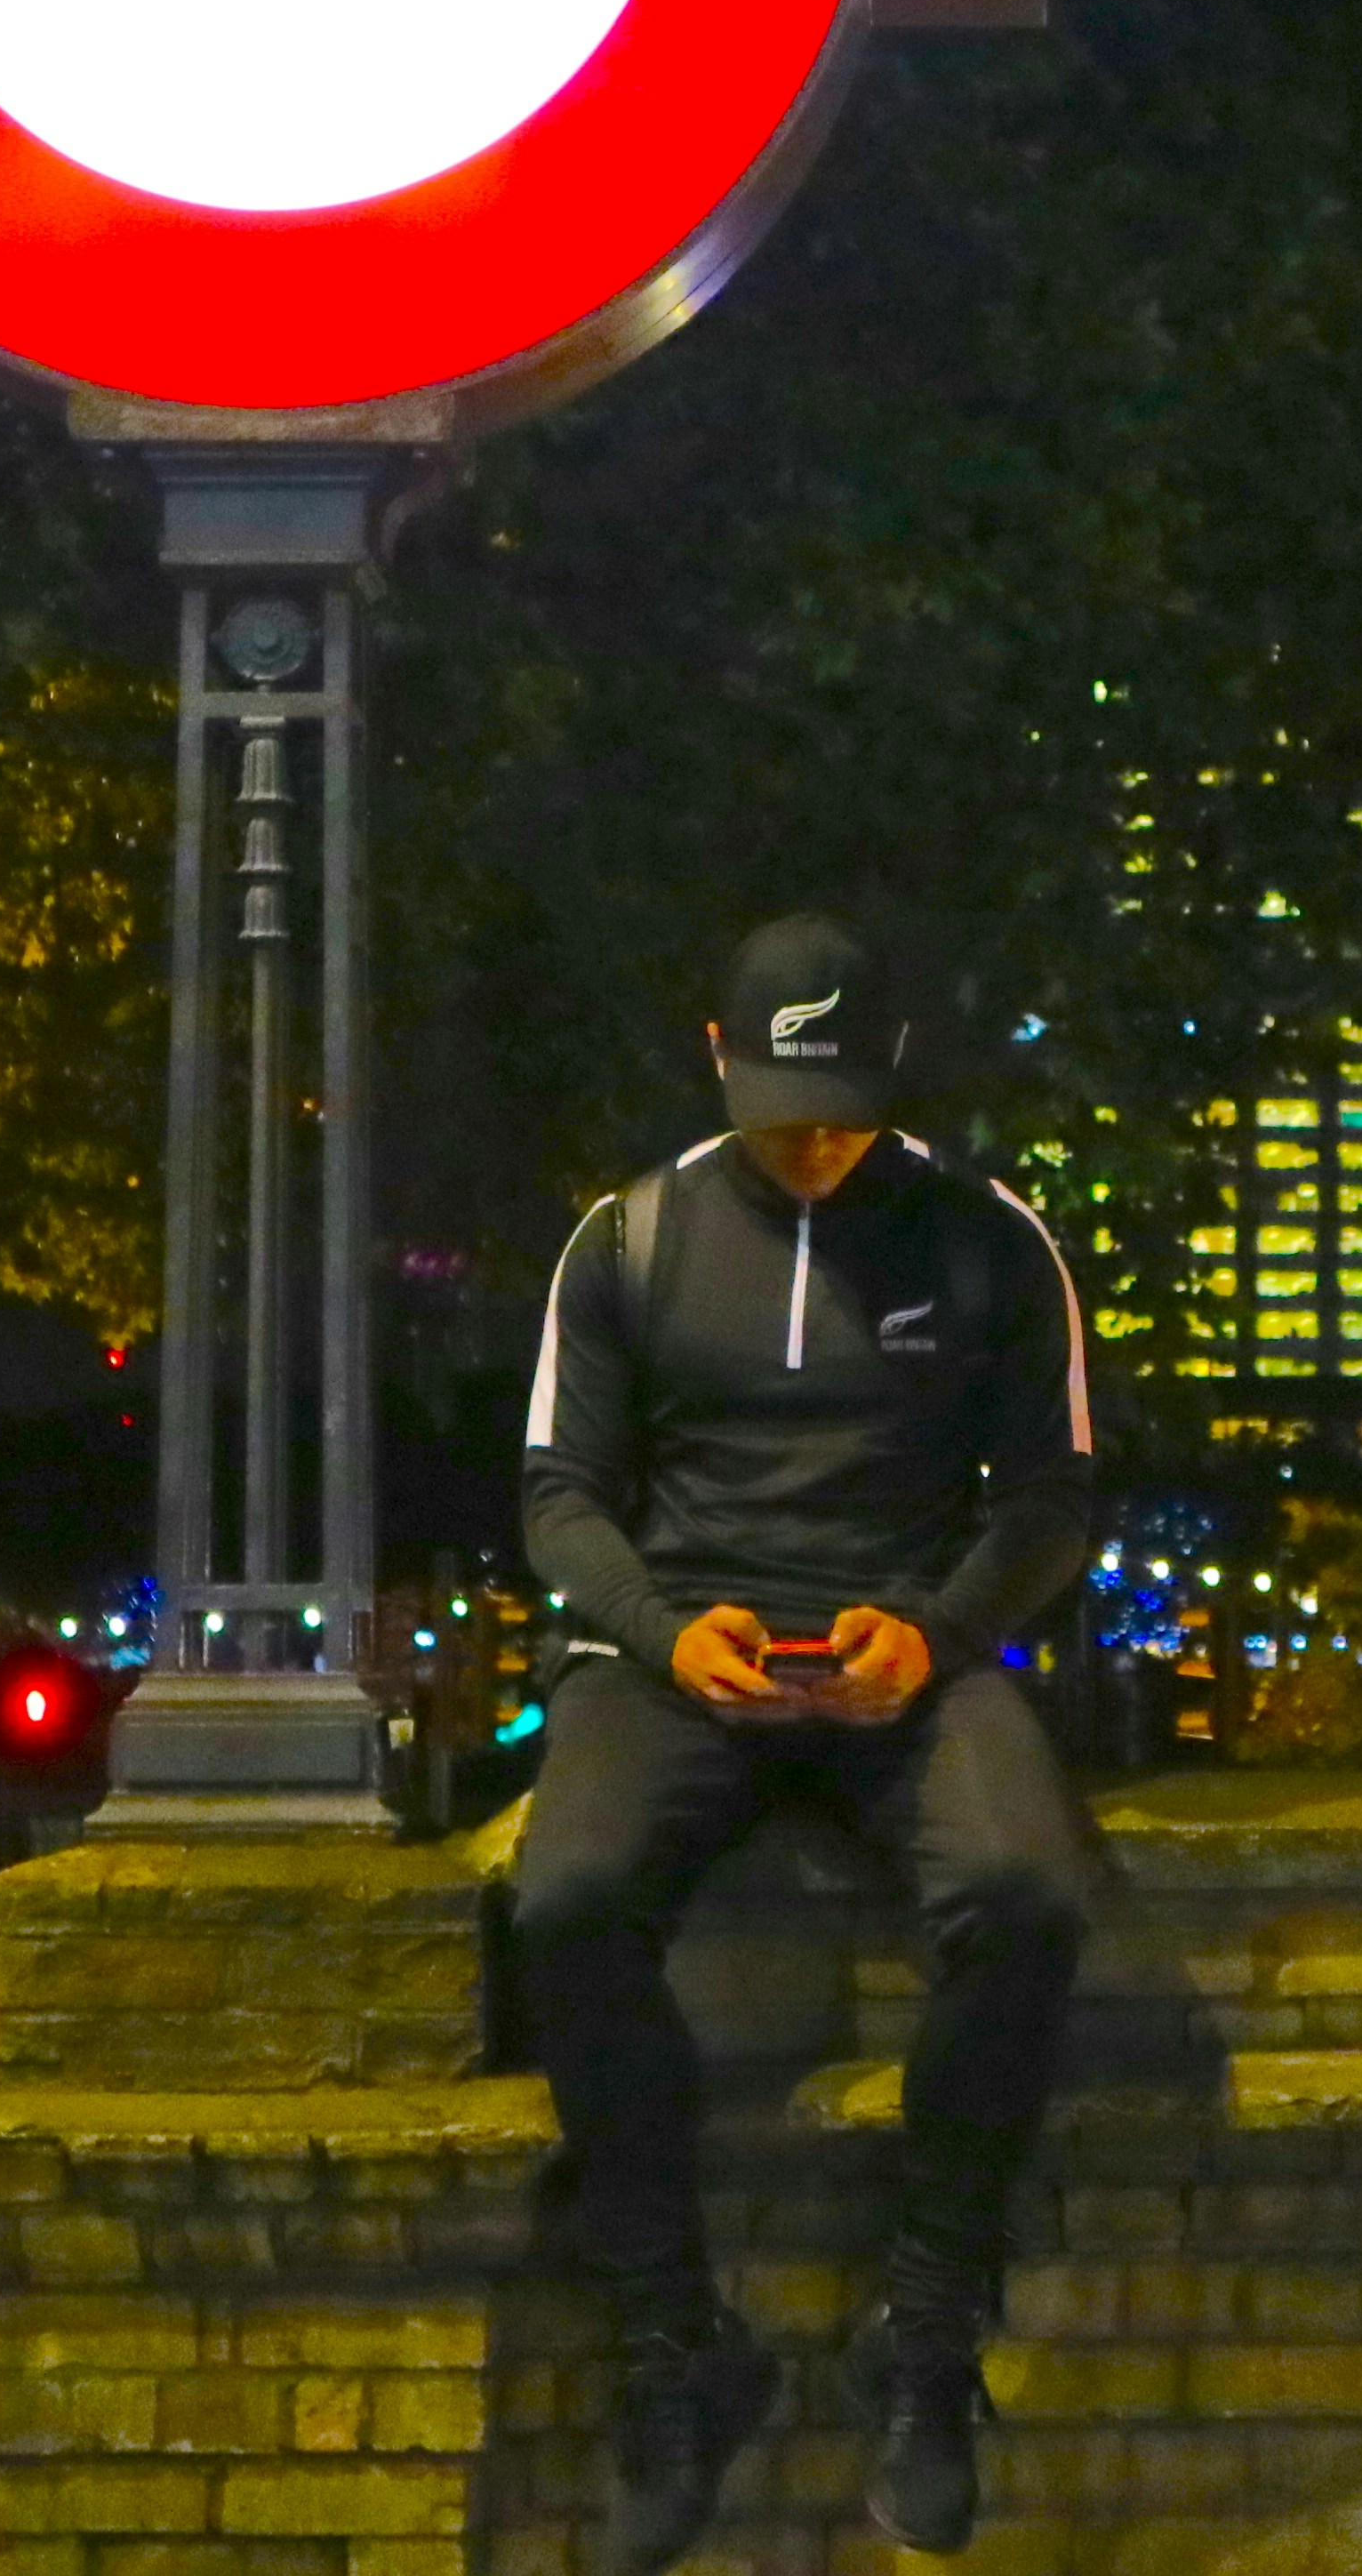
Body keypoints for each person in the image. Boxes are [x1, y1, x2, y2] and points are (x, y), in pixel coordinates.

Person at [513, 911, 1102, 2569]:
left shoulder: (987, 1237)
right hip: (679, 1646)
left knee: (1027, 1893)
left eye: (842, 1102)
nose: (816, 1137)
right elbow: (560, 1498)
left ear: (894, 1069)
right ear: (719, 1056)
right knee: (565, 1903)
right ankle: (675, 2351)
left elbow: (1053, 1501)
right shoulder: (627, 1241)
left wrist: (935, 1633)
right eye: (784, 1101)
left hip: (907, 1640)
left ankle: (923, 2337)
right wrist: (657, 1630)